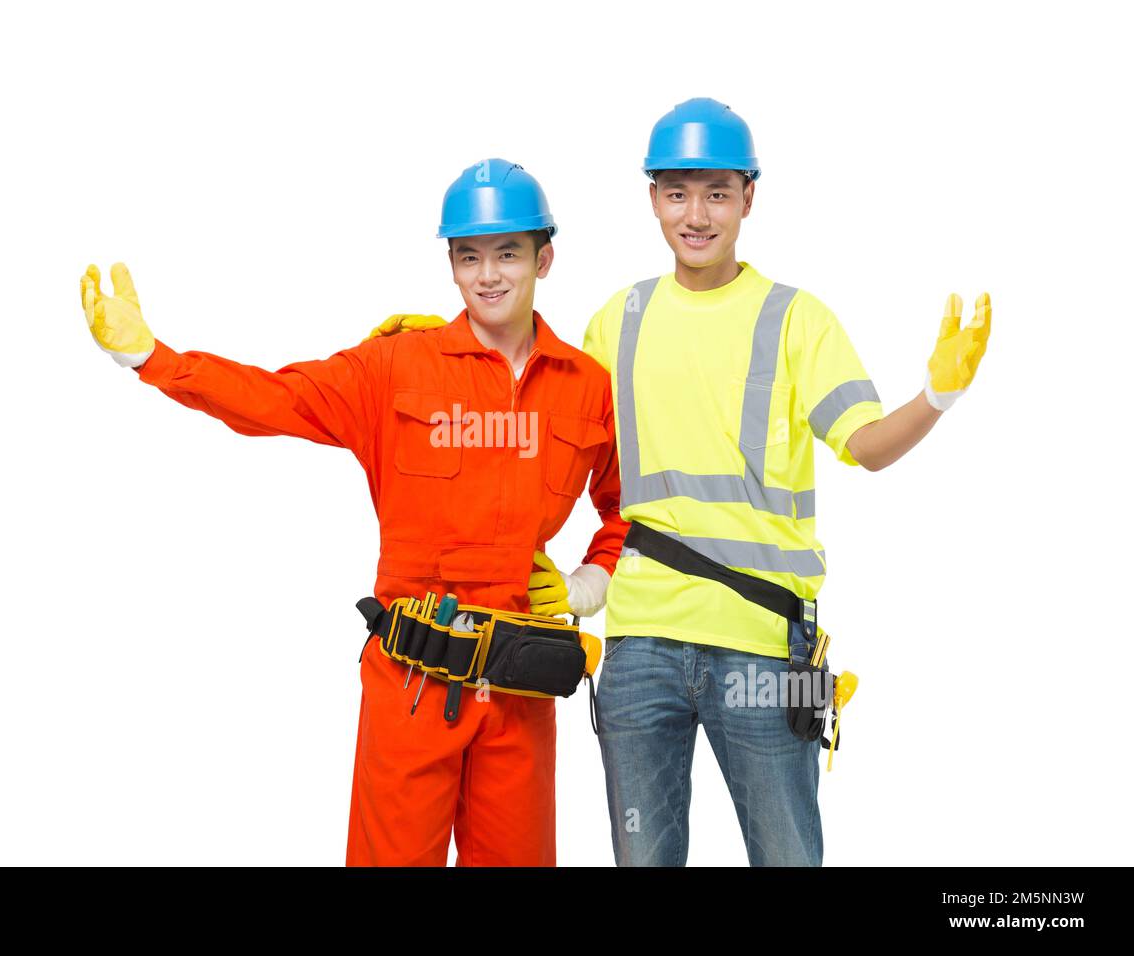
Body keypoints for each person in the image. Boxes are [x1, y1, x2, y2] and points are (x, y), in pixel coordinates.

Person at [78, 158, 628, 866]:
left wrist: (589, 585)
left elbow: (626, 512)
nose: (488, 275)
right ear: (452, 266)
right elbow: (274, 398)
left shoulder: (587, 387)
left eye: (508, 254)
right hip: (410, 687)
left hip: (519, 691)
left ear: (543, 258)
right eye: (469, 257)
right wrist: (153, 358)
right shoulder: (395, 367)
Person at [582, 98, 992, 866]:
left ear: (748, 198)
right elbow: (554, 437)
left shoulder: (796, 320)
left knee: (789, 857)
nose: (696, 214)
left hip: (766, 649)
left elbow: (865, 447)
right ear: (652, 200)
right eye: (677, 192)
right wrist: (452, 349)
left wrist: (937, 396)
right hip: (639, 644)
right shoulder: (619, 319)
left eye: (717, 193)